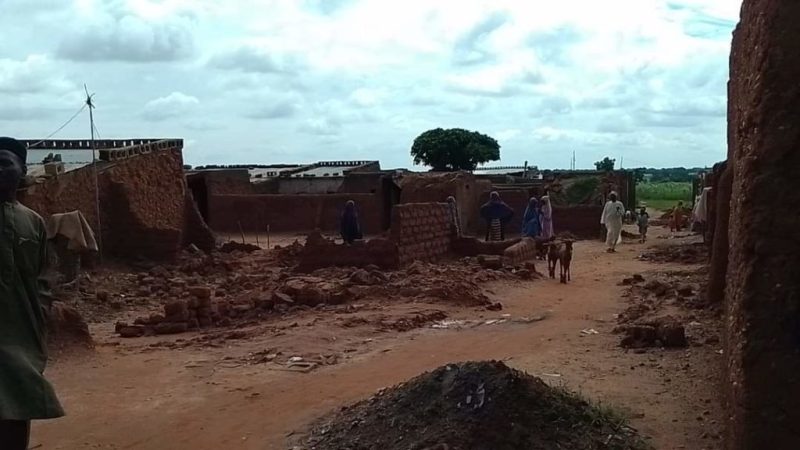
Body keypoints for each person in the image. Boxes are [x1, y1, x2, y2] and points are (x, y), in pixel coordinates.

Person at [0, 137, 64, 449]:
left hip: (21, 330)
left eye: (4, 163)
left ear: (21, 171)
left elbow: (46, 272)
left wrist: (41, 307)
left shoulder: (33, 222)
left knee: (18, 399)